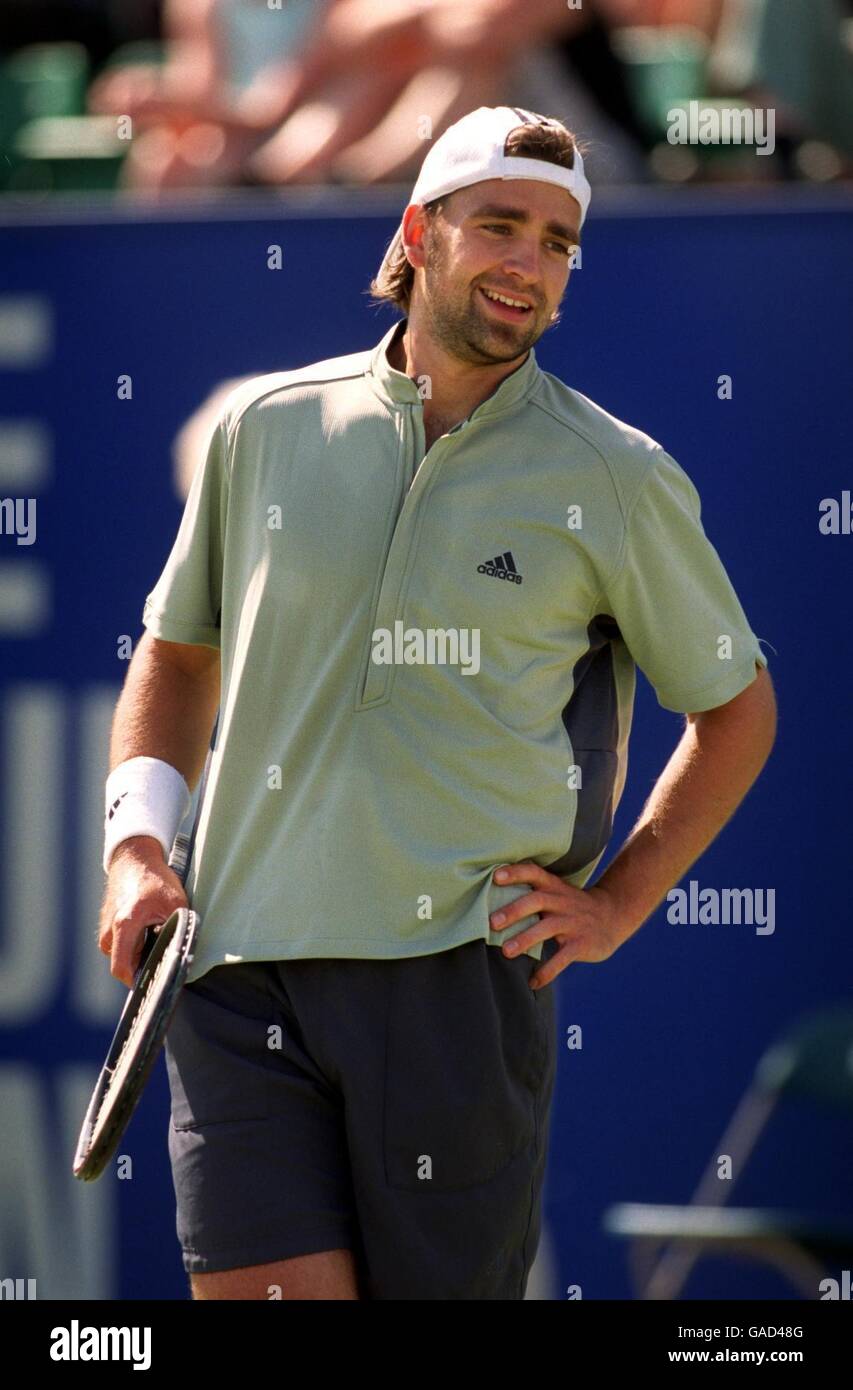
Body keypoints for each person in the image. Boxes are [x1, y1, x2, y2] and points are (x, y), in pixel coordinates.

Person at [98, 105, 776, 1300]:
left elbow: (736, 706)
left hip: (455, 979)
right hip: (235, 971)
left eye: (558, 242)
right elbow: (175, 651)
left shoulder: (615, 474)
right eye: (500, 226)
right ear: (419, 232)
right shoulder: (263, 428)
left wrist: (618, 900)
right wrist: (136, 844)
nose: (530, 262)